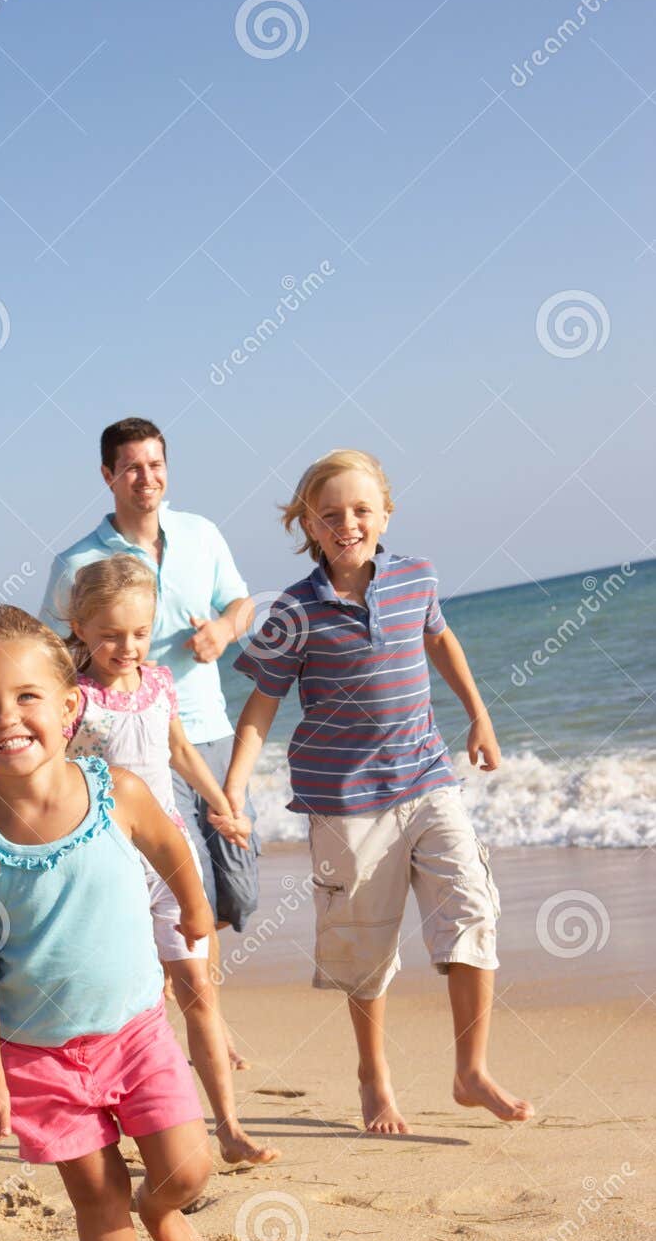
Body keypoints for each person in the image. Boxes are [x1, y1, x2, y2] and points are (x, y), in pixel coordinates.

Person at [0, 604, 215, 1241]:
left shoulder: (117, 790)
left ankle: (163, 1210)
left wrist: (193, 906)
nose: (7, 717)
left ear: (68, 705)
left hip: (135, 1030)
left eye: (26, 697)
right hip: (39, 1054)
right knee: (93, 1194)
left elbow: (170, 846)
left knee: (188, 1166)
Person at [224, 448, 534, 1136]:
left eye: (361, 510)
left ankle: (469, 1069)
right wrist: (234, 788)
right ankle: (372, 1073)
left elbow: (440, 640)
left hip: (427, 778)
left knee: (470, 905)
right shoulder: (292, 613)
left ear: (384, 513)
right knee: (364, 950)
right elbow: (260, 706)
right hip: (343, 803)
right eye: (330, 514)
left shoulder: (415, 578)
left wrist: (478, 716)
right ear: (308, 524)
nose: (347, 524)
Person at [40, 418, 259, 1063]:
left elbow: (242, 601)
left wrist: (223, 630)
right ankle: (200, 1018)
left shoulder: (202, 533)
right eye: (132, 467)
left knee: (227, 891)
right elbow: (53, 651)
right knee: (159, 889)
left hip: (203, 731)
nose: (147, 478)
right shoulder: (74, 562)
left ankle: (187, 992)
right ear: (108, 476)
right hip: (118, 749)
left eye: (156, 464)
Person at [64, 555, 277, 1167]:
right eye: (109, 634)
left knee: (201, 995)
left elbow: (180, 750)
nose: (126, 646)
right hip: (111, 869)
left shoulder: (159, 681)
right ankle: (137, 1123)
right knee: (137, 1005)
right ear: (80, 627)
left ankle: (230, 1128)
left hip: (173, 857)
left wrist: (223, 807)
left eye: (137, 631)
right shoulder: (74, 701)